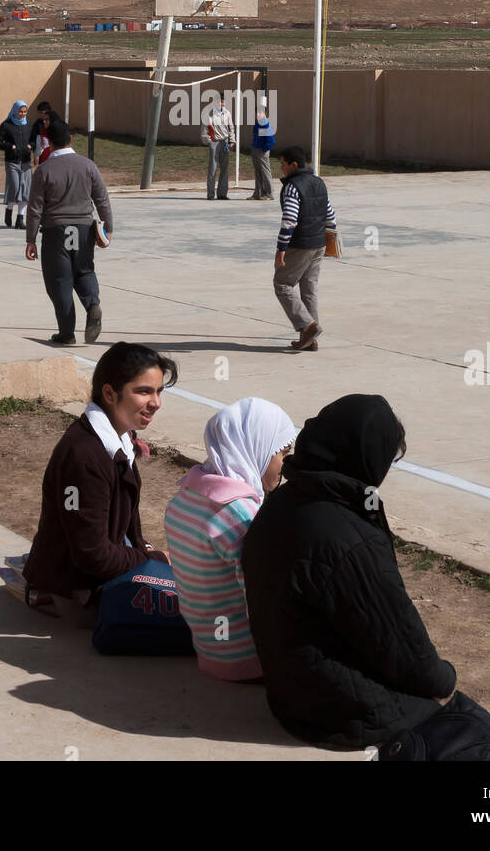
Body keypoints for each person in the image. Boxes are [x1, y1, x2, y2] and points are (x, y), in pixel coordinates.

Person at [242, 395, 457, 751]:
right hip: (343, 714)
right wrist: (444, 677)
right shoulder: (345, 536)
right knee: (476, 734)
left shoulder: (283, 502)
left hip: (291, 698)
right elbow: (402, 647)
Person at [23, 342, 176, 627]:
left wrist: (148, 554)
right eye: (144, 391)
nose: (156, 402)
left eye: (159, 391)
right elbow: (92, 555)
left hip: (103, 578)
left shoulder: (119, 441)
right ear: (109, 393)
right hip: (80, 595)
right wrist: (149, 559)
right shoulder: (83, 456)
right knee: (198, 619)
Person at [164, 398, 296, 681]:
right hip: (249, 661)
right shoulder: (239, 513)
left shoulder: (185, 498)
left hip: (209, 652)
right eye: (282, 453)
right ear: (255, 447)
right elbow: (261, 598)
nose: (285, 465)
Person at [25, 117, 113, 345]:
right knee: (84, 271)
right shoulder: (88, 165)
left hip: (56, 232)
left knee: (60, 280)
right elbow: (102, 199)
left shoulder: (44, 170)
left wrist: (31, 239)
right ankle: (93, 304)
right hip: (84, 230)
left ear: (49, 142)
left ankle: (66, 333)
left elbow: (35, 208)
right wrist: (108, 227)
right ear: (71, 139)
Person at [273, 145, 337, 351]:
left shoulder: (293, 186)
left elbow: (290, 219)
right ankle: (310, 339)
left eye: (283, 163)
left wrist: (281, 248)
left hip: (301, 244)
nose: (281, 168)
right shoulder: (319, 183)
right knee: (309, 288)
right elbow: (331, 216)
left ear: (294, 165)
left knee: (282, 284)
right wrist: (329, 241)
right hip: (319, 243)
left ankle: (308, 326)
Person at [0, 100, 32, 229]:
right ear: (15, 111)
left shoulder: (29, 125)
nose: (22, 114)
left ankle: (20, 219)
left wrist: (30, 146)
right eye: (20, 111)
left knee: (25, 190)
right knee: (15, 187)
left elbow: (34, 140)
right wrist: (10, 146)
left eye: (25, 111)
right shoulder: (6, 125)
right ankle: (9, 210)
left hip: (26, 162)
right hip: (12, 162)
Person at [205, 92, 236, 200]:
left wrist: (232, 141)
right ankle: (210, 194)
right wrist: (209, 141)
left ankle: (222, 193)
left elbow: (230, 128)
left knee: (224, 168)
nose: (221, 103)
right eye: (219, 101)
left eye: (223, 101)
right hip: (214, 142)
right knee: (212, 168)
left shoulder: (227, 113)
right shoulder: (209, 113)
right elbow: (205, 129)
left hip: (225, 142)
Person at [248, 97, 275, 200]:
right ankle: (258, 193)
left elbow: (270, 140)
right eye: (257, 112)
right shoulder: (257, 124)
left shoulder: (265, 125)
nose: (259, 114)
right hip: (255, 150)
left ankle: (269, 193)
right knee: (258, 172)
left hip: (262, 151)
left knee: (265, 172)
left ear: (265, 114)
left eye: (261, 112)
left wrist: (264, 149)